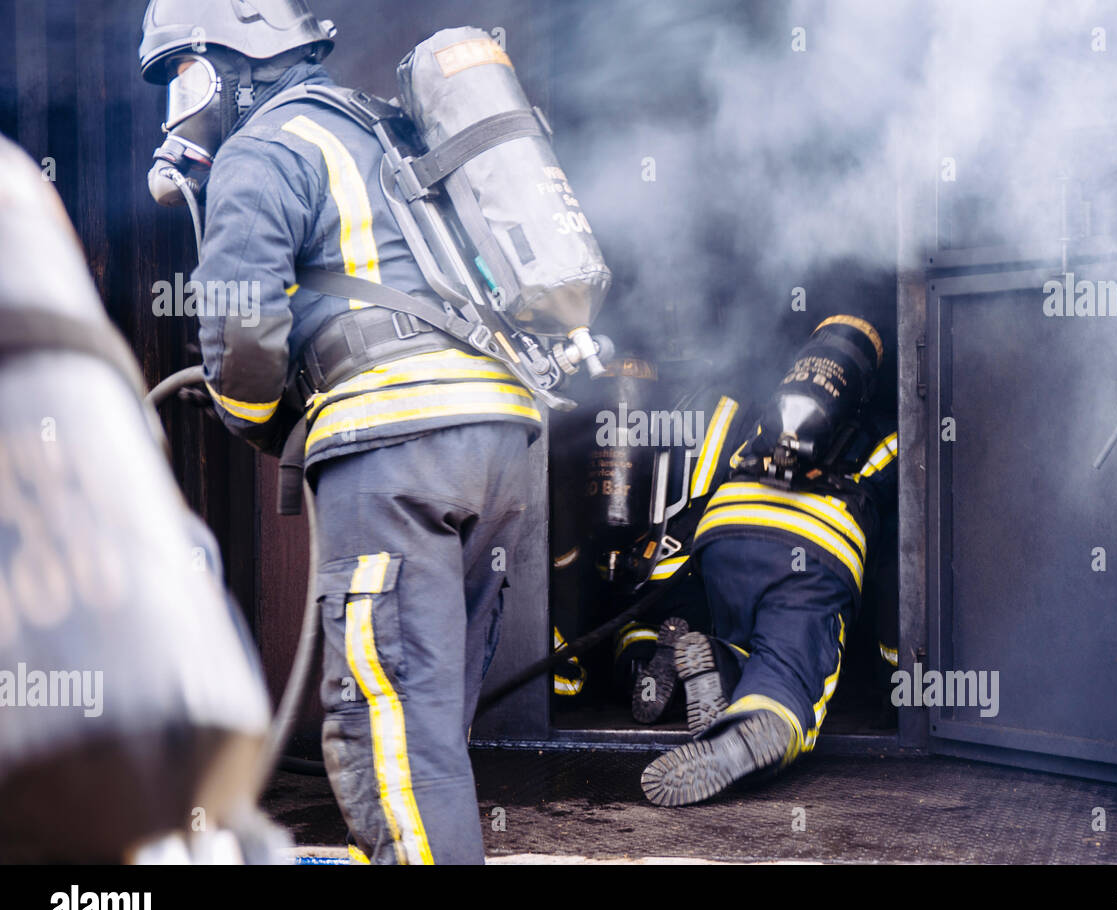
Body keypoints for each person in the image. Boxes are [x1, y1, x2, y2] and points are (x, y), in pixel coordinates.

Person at [140, 0, 543, 864]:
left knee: (386, 729)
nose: (176, 105)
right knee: (429, 721)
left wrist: (260, 421)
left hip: (396, 445)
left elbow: (243, 330)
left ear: (233, 64)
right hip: (496, 439)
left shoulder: (263, 147)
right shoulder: (376, 126)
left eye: (181, 75)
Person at [640, 316, 897, 806]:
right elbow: (901, 558)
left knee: (752, 643)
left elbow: (704, 475)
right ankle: (757, 726)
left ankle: (717, 659)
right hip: (812, 550)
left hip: (726, 535)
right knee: (792, 665)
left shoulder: (759, 407)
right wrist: (893, 669)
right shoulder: (884, 429)